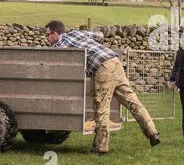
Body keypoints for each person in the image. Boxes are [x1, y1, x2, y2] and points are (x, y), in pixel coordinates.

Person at [45, 20, 160, 154]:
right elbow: (99, 36)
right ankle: (152, 133)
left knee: (101, 107)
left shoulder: (59, 45)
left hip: (102, 67)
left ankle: (100, 148)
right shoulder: (76, 33)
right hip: (114, 60)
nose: (47, 39)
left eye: (48, 35)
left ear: (55, 33)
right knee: (131, 100)